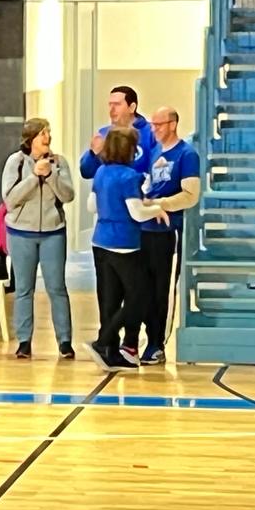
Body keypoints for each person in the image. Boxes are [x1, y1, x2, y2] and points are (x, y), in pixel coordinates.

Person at [87, 128, 169, 369]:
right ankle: (103, 342)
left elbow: (92, 206)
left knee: (109, 299)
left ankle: (110, 351)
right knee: (139, 296)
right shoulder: (129, 177)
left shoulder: (101, 172)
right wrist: (157, 209)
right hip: (124, 244)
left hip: (100, 241)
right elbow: (137, 213)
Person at [2, 118, 75, 360]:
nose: (47, 137)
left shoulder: (59, 162)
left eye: (49, 132)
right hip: (21, 232)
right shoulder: (16, 162)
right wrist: (33, 177)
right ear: (30, 138)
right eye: (43, 133)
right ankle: (24, 341)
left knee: (57, 288)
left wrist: (51, 174)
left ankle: (65, 341)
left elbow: (68, 195)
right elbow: (10, 199)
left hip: (54, 232)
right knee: (24, 289)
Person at [138, 107, 200, 363]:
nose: (154, 129)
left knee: (163, 288)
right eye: (152, 125)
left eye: (159, 124)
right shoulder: (153, 152)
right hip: (146, 229)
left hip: (170, 231)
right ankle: (144, 336)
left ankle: (157, 343)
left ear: (173, 124)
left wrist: (161, 205)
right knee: (145, 287)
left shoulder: (187, 154)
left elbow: (190, 195)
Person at [79, 84, 159, 178]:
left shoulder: (151, 132)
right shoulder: (103, 134)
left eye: (117, 104)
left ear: (132, 107)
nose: (112, 109)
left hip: (138, 190)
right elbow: (86, 173)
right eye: (110, 105)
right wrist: (93, 154)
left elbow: (159, 168)